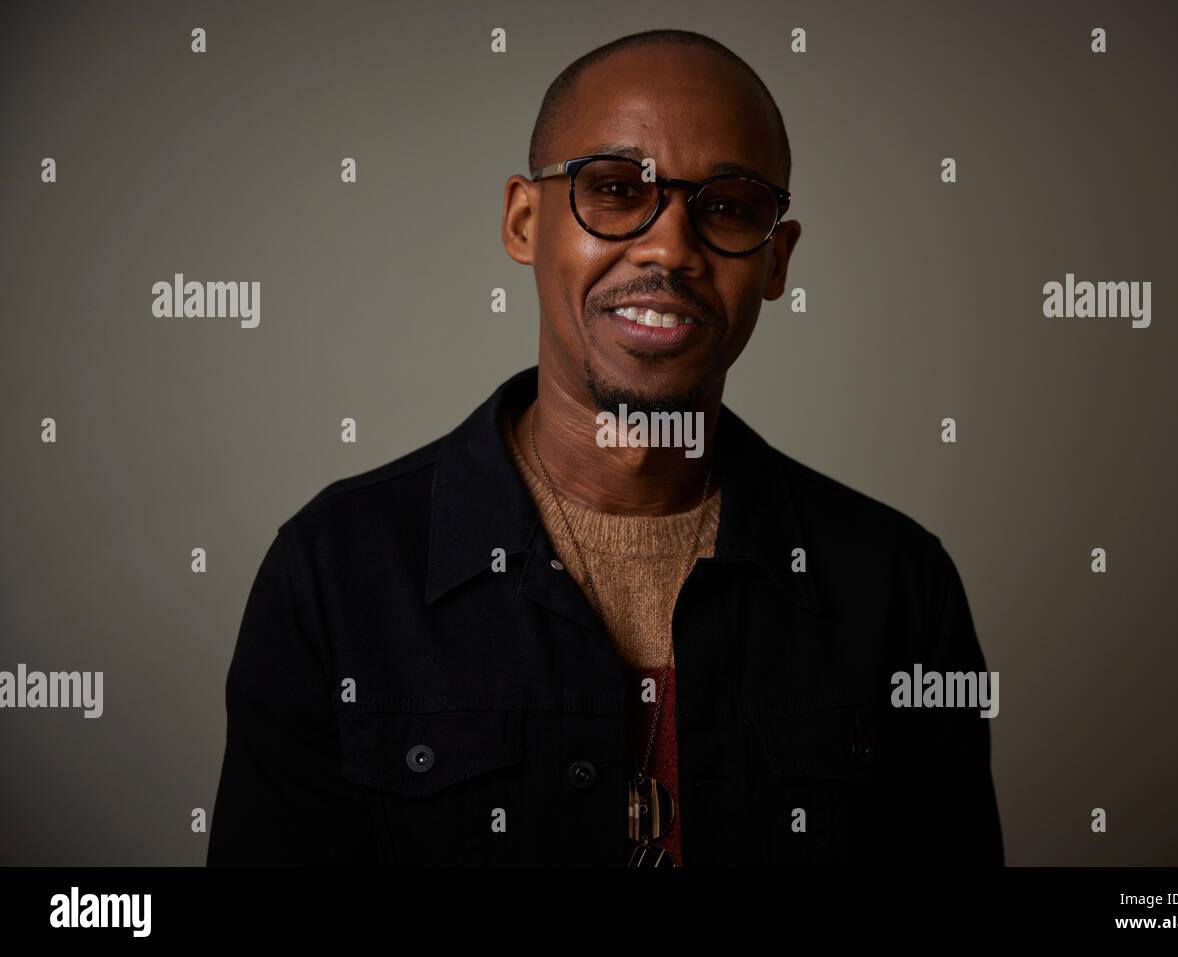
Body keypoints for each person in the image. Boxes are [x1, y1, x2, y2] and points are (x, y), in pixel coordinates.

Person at [207, 28, 1003, 867]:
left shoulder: (898, 587)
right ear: (523, 220)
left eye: (729, 206)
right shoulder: (334, 572)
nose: (669, 247)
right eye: (619, 190)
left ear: (777, 259)